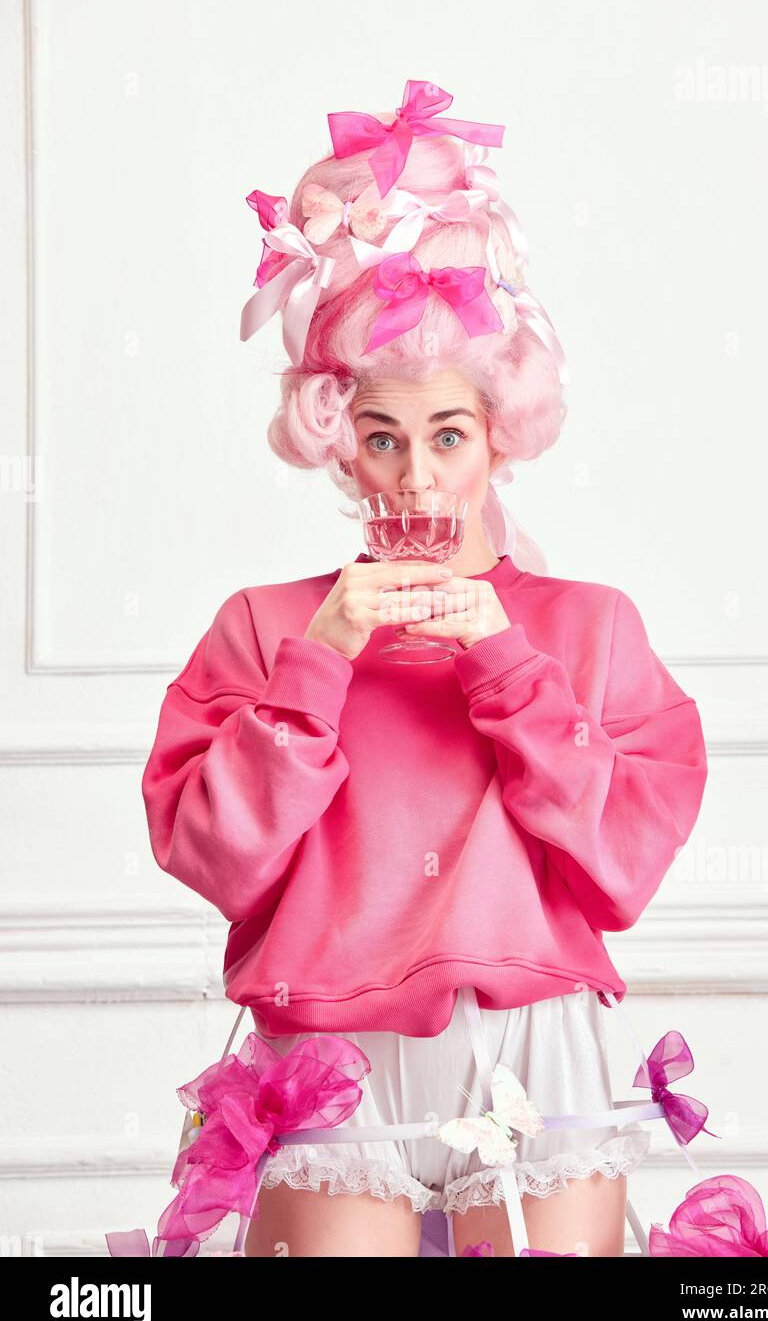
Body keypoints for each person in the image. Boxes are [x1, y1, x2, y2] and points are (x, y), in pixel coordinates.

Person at [140, 82, 709, 1257]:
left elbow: (620, 862)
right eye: (381, 437)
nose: (412, 478)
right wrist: (322, 665)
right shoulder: (266, 625)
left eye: (446, 435)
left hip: (531, 1041)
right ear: (338, 438)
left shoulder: (586, 627)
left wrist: (501, 661)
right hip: (328, 1049)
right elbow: (215, 856)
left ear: (499, 432)